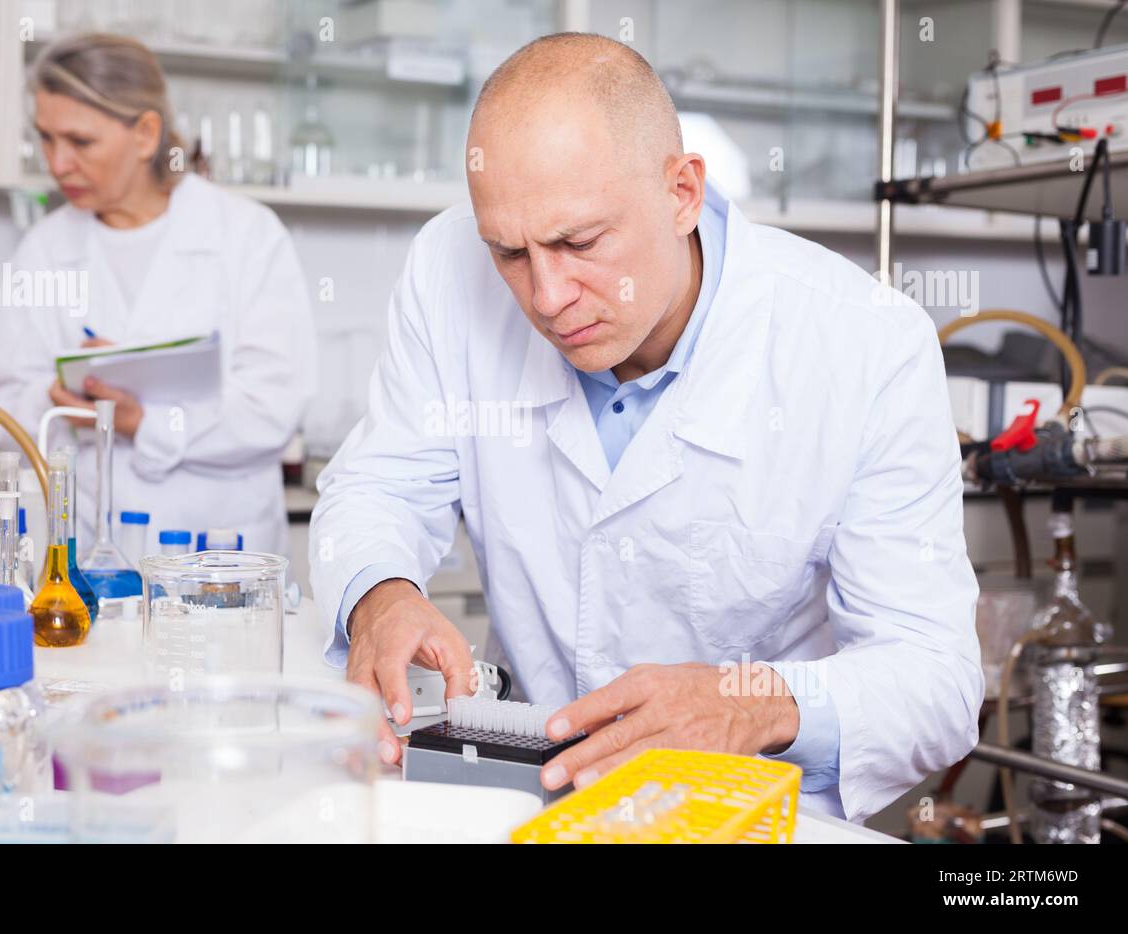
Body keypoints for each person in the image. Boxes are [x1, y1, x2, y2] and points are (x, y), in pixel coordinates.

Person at [309, 33, 983, 823]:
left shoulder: (865, 343)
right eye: (510, 253)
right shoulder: (445, 268)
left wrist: (753, 705)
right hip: (522, 787)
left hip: (744, 812)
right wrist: (381, 596)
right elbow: (378, 484)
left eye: (580, 243)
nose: (548, 295)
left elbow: (937, 682)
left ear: (682, 193)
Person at [0, 34, 315, 557]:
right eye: (45, 138)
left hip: (220, 557)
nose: (57, 163)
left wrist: (145, 423)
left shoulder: (246, 235)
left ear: (145, 134)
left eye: (79, 142)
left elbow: (273, 408)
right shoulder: (44, 248)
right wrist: (61, 403)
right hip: (84, 552)